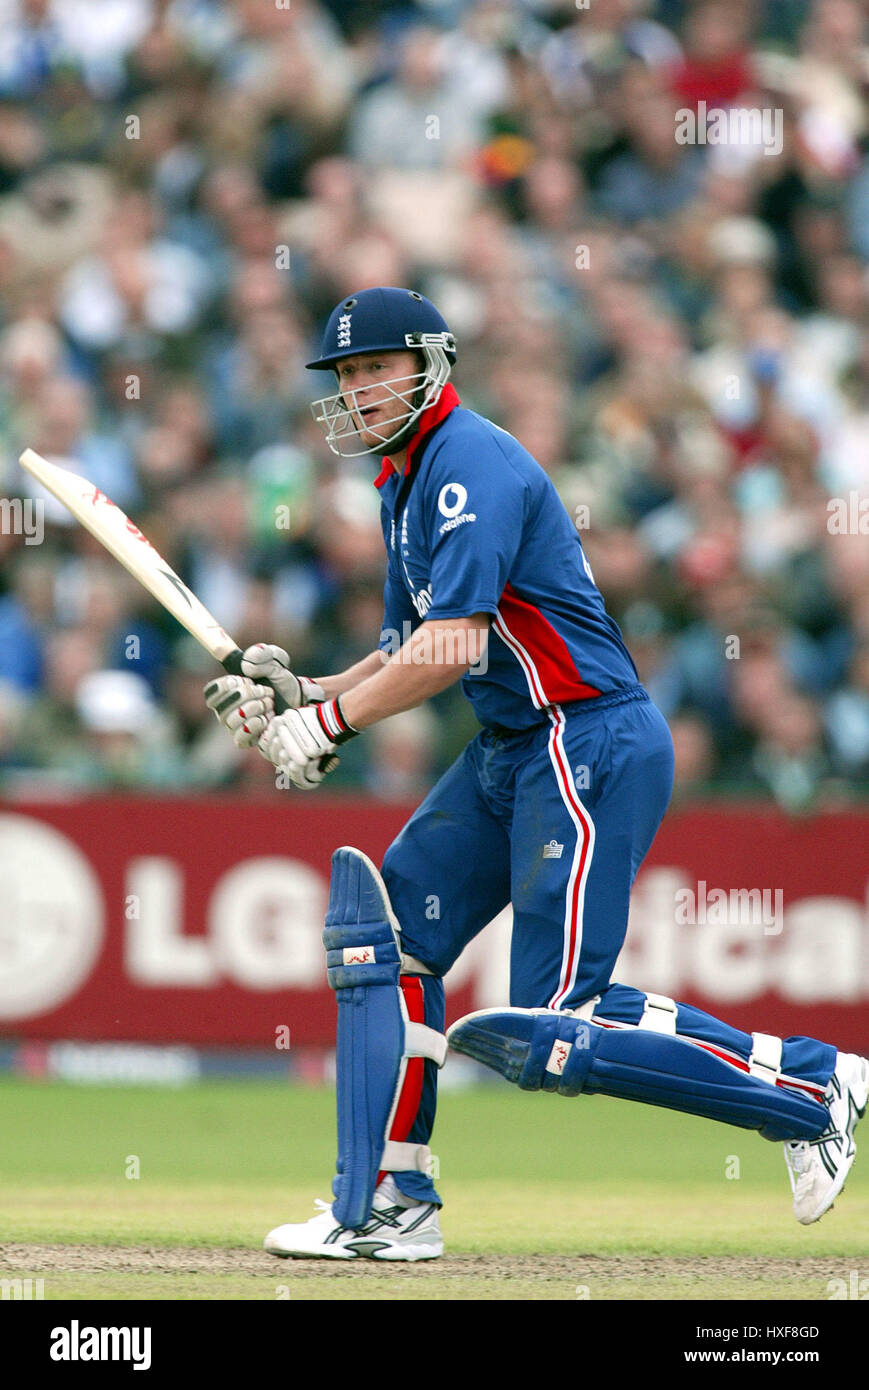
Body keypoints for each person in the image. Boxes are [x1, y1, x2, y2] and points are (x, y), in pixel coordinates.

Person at [205, 287, 868, 1261]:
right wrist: (304, 689)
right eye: (344, 377)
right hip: (511, 745)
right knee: (390, 938)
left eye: (373, 369)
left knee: (553, 1028)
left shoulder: (464, 463)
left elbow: (453, 644)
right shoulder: (400, 481)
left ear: (431, 364)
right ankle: (395, 1204)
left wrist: (325, 721)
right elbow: (408, 646)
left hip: (582, 737)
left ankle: (808, 1091)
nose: (355, 392)